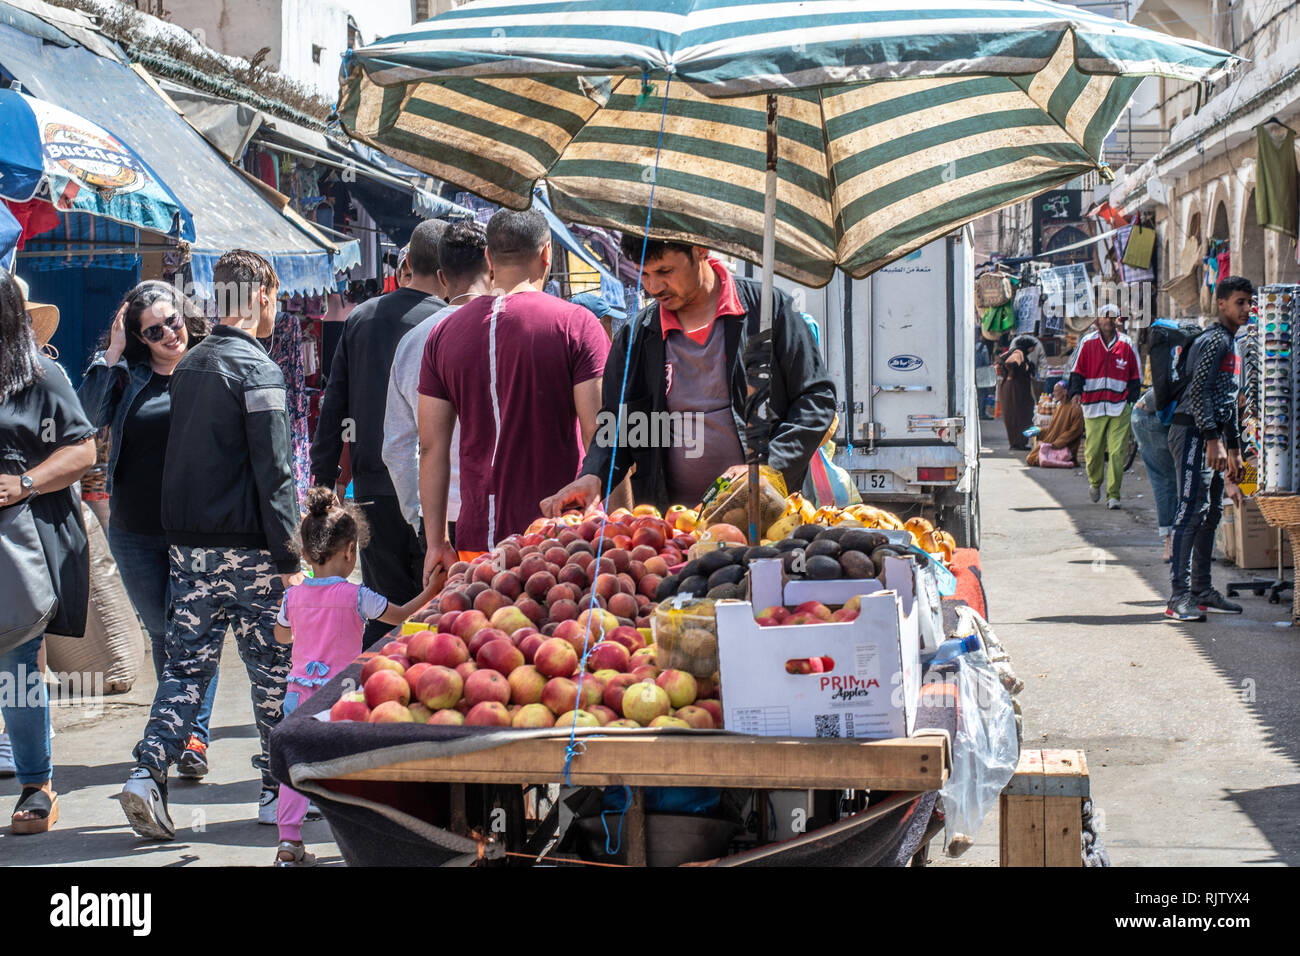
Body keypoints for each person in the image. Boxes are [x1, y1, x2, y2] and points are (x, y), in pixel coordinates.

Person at [118, 250, 301, 840]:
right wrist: (292, 561)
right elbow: (276, 476)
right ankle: (279, 795)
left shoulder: (191, 365)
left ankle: (147, 773)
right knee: (273, 673)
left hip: (189, 553)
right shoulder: (257, 370)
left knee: (184, 670)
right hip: (251, 554)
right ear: (264, 295)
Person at [540, 236, 836, 516]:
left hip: (771, 513)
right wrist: (594, 474)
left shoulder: (769, 311)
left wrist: (769, 466)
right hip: (672, 532)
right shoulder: (636, 337)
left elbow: (816, 400)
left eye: (664, 271)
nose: (653, 287)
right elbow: (619, 427)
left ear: (699, 250)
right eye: (644, 275)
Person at [77, 282, 220, 779]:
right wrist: (112, 354)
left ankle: (191, 735)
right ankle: (177, 728)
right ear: (140, 338)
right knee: (164, 631)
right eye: (153, 331)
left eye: (172, 321)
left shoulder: (211, 363)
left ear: (184, 314)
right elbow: (85, 420)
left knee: (193, 632)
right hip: (136, 529)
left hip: (198, 528)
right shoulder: (128, 377)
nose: (168, 335)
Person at [418, 207, 609, 572]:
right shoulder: (576, 325)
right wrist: (619, 519)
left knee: (487, 630)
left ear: (488, 257)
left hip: (479, 545)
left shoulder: (442, 335)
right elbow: (600, 431)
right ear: (546, 254)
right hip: (559, 539)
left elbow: (430, 448)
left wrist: (436, 542)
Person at [272, 487, 441, 866]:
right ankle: (367, 842)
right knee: (355, 767)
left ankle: (288, 843)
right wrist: (433, 590)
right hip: (343, 696)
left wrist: (300, 624)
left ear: (304, 552)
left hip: (299, 696)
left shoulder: (294, 596)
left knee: (296, 769)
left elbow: (280, 635)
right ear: (351, 552)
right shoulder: (355, 595)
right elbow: (402, 617)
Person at [312, 220, 447, 645]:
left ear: (406, 264)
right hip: (438, 491)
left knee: (385, 609)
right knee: (441, 604)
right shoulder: (450, 322)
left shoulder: (361, 319)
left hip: (374, 489)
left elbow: (333, 404)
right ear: (449, 273)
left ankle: (380, 699)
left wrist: (324, 478)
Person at [0, 270, 96, 834]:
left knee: (16, 663)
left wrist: (25, 483)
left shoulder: (42, 376)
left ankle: (37, 783)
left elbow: (83, 450)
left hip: (23, 545)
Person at [384, 220, 492, 551]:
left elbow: (398, 446)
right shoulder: (515, 331)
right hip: (515, 509)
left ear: (442, 278)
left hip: (447, 517)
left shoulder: (414, 341)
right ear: (491, 263)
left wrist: (421, 520)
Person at [1166, 276, 1252, 621]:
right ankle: (1178, 597)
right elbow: (1200, 392)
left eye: (1249, 302)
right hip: (1192, 434)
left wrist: (1233, 449)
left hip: (1212, 437)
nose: (1247, 309)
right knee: (1191, 511)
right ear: (1221, 305)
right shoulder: (1214, 341)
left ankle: (1202, 590)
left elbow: (1227, 399)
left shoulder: (1232, 344)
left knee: (1212, 511)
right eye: (1240, 302)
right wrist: (1212, 441)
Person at [1067, 305, 1140, 507]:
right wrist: (1075, 393)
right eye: (1104, 317)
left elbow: (1135, 375)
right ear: (1098, 320)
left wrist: (1131, 401)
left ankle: (1113, 495)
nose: (1108, 320)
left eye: (1112, 317)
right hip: (1093, 404)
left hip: (1120, 405)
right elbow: (1077, 371)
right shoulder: (1087, 343)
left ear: (1117, 320)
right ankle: (1095, 481)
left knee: (1117, 451)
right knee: (1093, 450)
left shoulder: (1127, 344)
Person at [1131, 386, 1178, 561]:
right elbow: (1169, 382)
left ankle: (1191, 543)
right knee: (1167, 480)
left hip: (1161, 415)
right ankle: (1170, 543)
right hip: (1150, 418)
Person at [996, 332, 1040, 451]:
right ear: (1027, 346)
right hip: (1015, 391)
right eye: (1032, 347)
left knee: (1016, 416)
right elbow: (1011, 362)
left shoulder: (1018, 352)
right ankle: (1018, 442)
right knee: (1020, 416)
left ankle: (1017, 442)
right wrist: (1012, 374)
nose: (1033, 349)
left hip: (1013, 390)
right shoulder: (1018, 352)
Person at [1027, 380, 1085, 467]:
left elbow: (1075, 431)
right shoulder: (1059, 407)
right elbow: (1052, 430)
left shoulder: (1075, 408)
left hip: (1065, 447)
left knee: (1034, 459)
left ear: (1065, 392)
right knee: (1031, 458)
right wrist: (1039, 431)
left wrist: (1056, 444)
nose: (1054, 393)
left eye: (1056, 391)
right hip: (1053, 443)